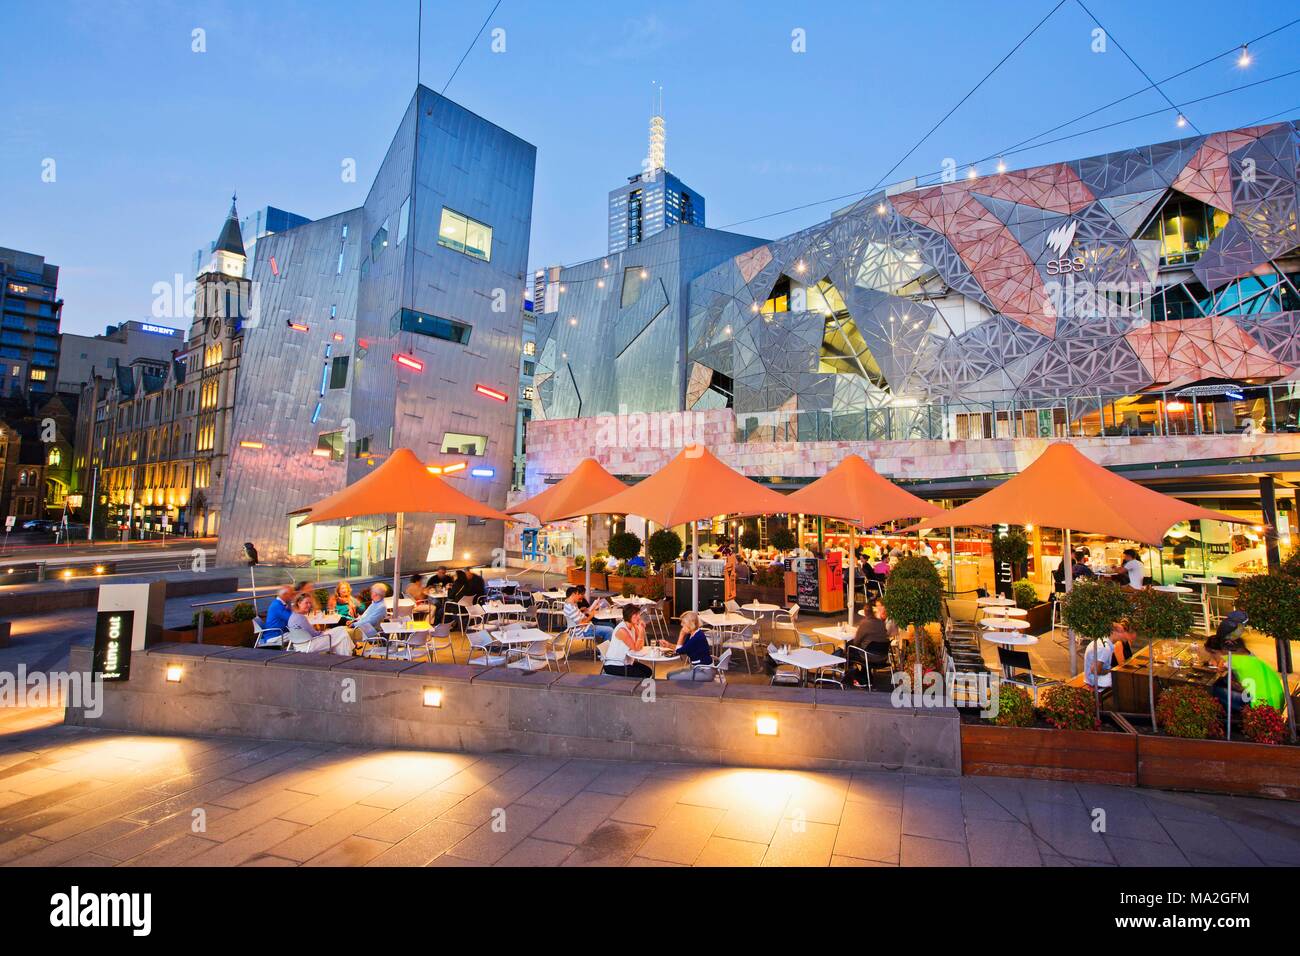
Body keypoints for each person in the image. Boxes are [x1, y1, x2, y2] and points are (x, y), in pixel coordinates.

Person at [1203, 611, 1284, 714]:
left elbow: (1221, 667)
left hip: (1262, 707)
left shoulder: (1230, 660)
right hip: (1275, 700)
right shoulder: (1248, 656)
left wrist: (1221, 666)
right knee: (1223, 684)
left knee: (1212, 690)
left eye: (1213, 653)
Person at [845, 597, 896, 687]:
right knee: (862, 649)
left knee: (849, 647)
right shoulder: (880, 623)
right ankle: (863, 675)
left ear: (865, 613)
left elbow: (856, 641)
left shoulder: (864, 623)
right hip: (883, 656)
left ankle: (853, 675)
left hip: (870, 656)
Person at [286, 593, 354, 655]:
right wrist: (325, 632)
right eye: (306, 603)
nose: (309, 605)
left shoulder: (294, 615)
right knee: (341, 631)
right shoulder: (300, 618)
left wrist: (326, 632)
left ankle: (346, 655)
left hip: (300, 645)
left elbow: (310, 634)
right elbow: (314, 634)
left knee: (341, 636)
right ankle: (350, 652)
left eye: (310, 603)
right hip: (309, 645)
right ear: (299, 603)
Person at [1082, 617, 1137, 692]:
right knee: (1126, 678)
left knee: (1126, 676)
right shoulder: (1105, 647)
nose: (1124, 634)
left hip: (1093, 677)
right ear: (1113, 632)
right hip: (1094, 680)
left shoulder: (1106, 641)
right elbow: (1094, 670)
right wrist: (1110, 671)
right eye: (1122, 632)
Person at [603, 605, 653, 679]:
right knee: (643, 675)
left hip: (626, 662)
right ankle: (630, 689)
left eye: (638, 614)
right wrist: (641, 632)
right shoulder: (622, 630)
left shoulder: (632, 626)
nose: (639, 617)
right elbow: (636, 648)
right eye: (635, 615)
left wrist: (639, 629)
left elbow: (639, 646)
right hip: (615, 664)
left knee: (648, 671)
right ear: (628, 616)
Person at [663, 610, 714, 680]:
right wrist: (668, 645)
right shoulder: (693, 634)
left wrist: (681, 634)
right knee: (669, 674)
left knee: (671, 677)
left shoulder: (697, 638)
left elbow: (679, 651)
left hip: (703, 672)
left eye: (683, 623)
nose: (681, 625)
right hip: (696, 668)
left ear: (691, 624)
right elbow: (683, 648)